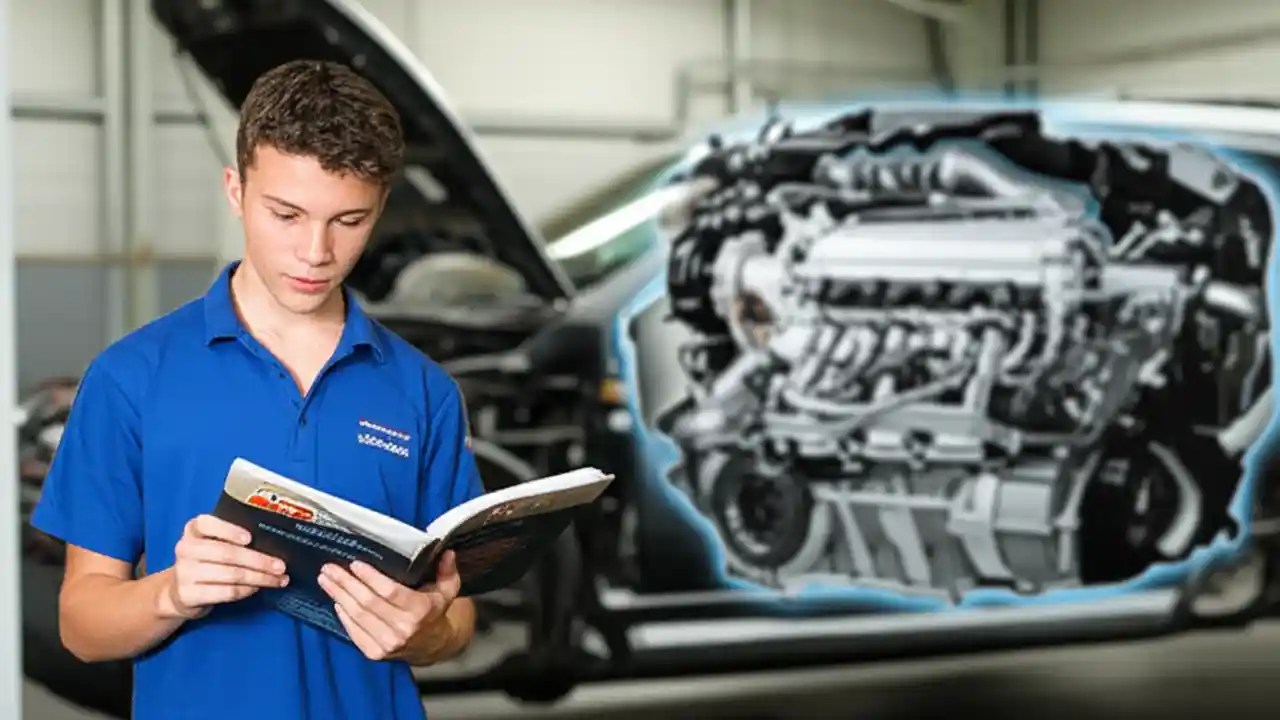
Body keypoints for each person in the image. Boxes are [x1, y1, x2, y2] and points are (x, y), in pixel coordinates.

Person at [30, 59, 483, 720]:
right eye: (286, 214)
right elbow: (81, 623)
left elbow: (458, 612)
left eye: (348, 220)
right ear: (236, 190)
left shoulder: (423, 392)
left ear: (381, 207)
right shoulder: (132, 378)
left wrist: (427, 632)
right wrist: (173, 593)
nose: (314, 252)